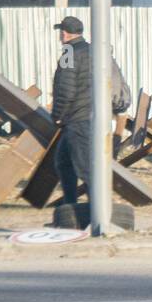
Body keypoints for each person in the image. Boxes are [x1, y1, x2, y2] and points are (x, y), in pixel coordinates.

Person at [51, 16, 95, 208]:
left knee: (85, 168)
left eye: (61, 32)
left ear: (64, 33)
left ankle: (98, 209)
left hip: (76, 117)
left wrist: (58, 115)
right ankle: (70, 205)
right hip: (88, 115)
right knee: (63, 162)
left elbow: (66, 89)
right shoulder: (90, 50)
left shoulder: (69, 53)